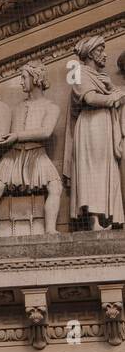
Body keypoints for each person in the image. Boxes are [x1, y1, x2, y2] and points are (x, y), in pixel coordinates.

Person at [0, 64, 62, 237]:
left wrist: (17, 136)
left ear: (36, 78)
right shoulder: (16, 109)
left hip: (36, 154)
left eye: (23, 77)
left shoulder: (51, 107)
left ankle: (50, 229)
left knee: (55, 187)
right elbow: (0, 141)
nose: (21, 82)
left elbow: (46, 132)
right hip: (14, 155)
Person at [62, 35, 125, 229]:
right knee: (92, 170)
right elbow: (89, 98)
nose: (105, 55)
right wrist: (114, 97)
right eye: (101, 50)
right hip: (91, 124)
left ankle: (104, 217)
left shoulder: (101, 77)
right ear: (90, 53)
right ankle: (94, 219)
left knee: (104, 168)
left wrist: (113, 90)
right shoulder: (78, 71)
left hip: (103, 124)